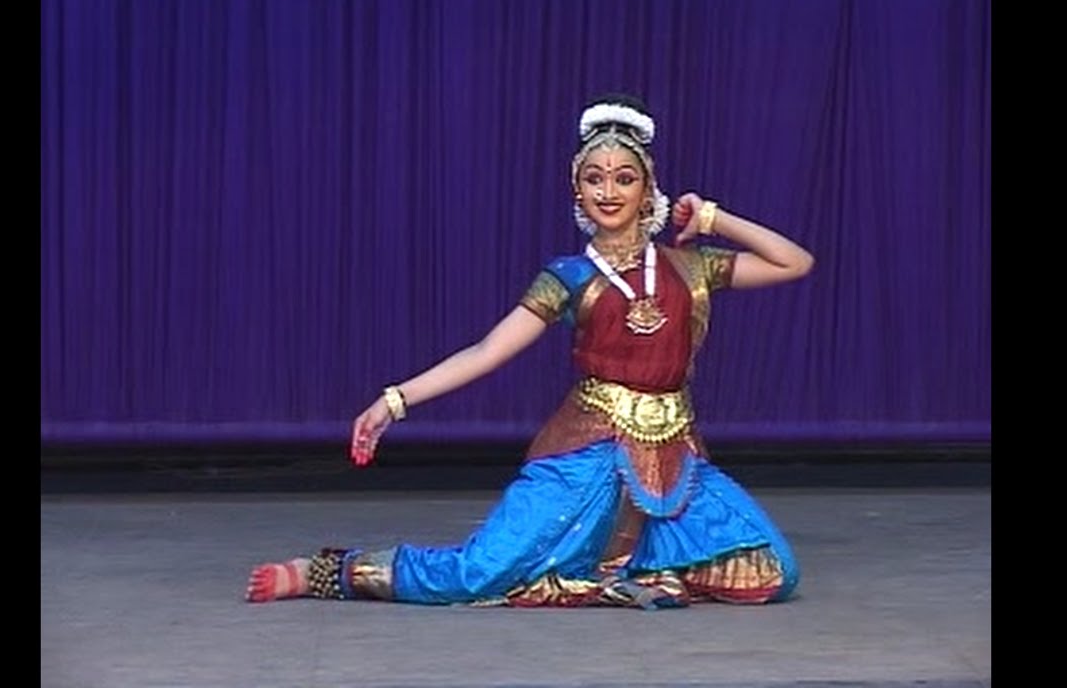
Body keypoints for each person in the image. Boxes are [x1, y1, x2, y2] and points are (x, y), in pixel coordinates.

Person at [246, 94, 814, 609]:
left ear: (648, 189)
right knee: (476, 574)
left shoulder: (690, 267)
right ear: (578, 191)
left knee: (769, 572)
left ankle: (627, 565)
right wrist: (393, 400)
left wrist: (713, 218)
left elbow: (795, 262)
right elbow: (487, 351)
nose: (608, 192)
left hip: (673, 462)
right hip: (587, 452)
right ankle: (329, 572)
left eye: (623, 178)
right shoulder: (568, 277)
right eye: (594, 179)